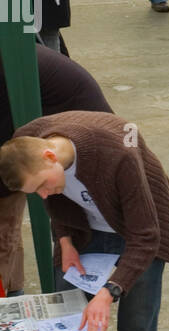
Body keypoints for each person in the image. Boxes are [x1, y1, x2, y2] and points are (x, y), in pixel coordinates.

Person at [0, 111, 169, 331]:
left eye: (43, 185)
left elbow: (147, 236)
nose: (44, 196)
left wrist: (109, 291)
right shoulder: (30, 140)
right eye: (36, 192)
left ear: (50, 155)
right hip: (86, 229)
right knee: (65, 322)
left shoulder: (116, 154)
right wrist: (65, 241)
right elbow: (57, 203)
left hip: (140, 228)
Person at [0, 46, 112, 296]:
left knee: (6, 217)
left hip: (82, 140)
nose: (41, 195)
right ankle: (13, 294)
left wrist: (113, 289)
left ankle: (10, 300)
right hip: (46, 137)